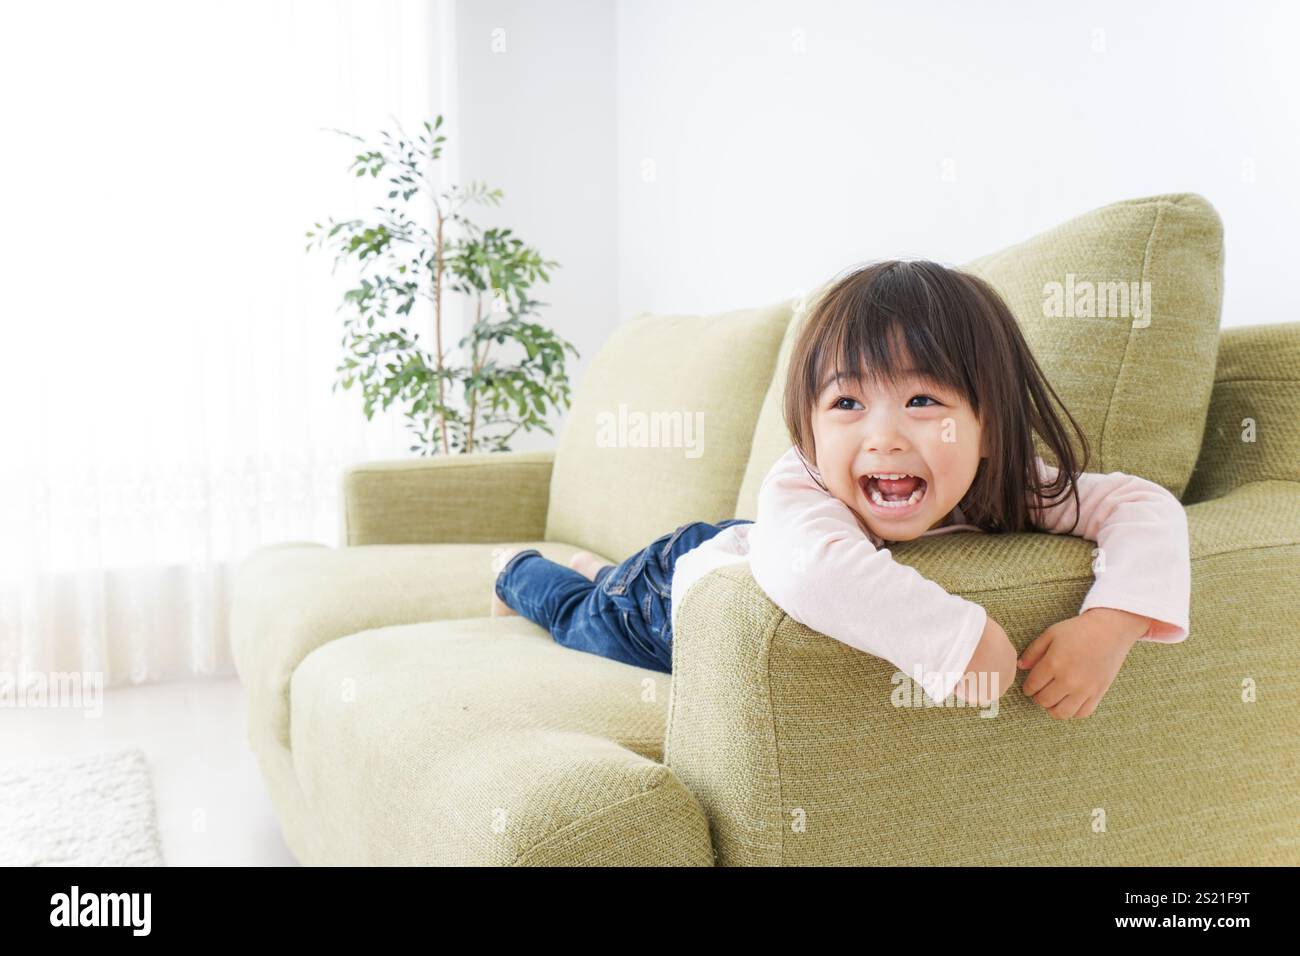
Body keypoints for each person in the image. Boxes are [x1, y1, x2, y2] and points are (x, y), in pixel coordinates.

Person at [491, 260, 1190, 720]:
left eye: (922, 401)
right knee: (583, 620)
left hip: (753, 541)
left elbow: (1141, 505)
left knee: (605, 584)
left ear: (988, 427)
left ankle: (598, 572)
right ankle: (517, 571)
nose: (883, 437)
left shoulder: (1003, 480)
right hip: (674, 594)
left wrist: (1111, 625)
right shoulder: (799, 481)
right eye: (847, 404)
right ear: (811, 430)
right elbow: (814, 571)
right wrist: (957, 642)